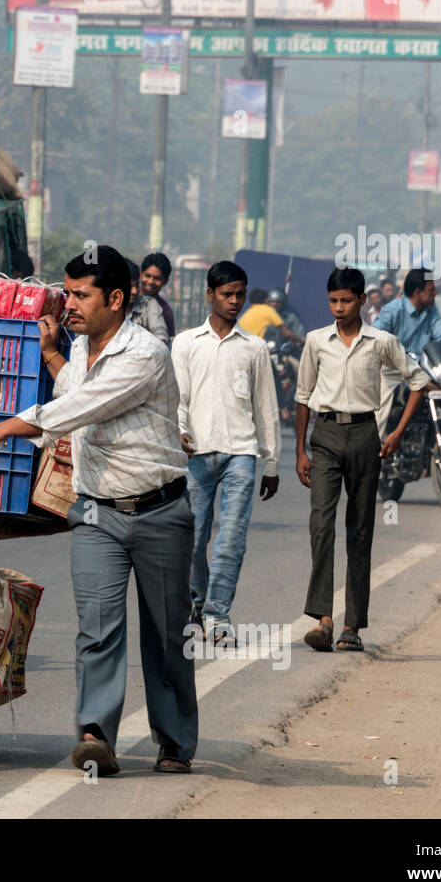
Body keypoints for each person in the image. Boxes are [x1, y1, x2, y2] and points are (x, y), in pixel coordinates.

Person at [0, 245, 196, 776]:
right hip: (96, 514)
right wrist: (51, 354)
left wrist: (2, 428)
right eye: (66, 292)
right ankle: (95, 735)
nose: (69, 303)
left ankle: (175, 742)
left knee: (165, 636)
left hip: (159, 511)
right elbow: (75, 387)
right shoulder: (85, 348)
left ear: (117, 298)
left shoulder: (147, 353)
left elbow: (79, 407)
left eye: (80, 294)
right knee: (97, 628)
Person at [295, 267, 428, 654]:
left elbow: (418, 380)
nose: (339, 307)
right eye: (333, 300)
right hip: (326, 435)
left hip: (366, 435)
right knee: (321, 523)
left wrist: (397, 431)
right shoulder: (316, 341)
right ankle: (323, 618)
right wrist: (301, 449)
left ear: (363, 301)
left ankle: (352, 625)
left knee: (360, 530)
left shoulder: (380, 342)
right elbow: (303, 395)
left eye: (346, 300)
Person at [171, 261, 280, 646]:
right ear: (210, 295)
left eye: (240, 294)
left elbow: (266, 409)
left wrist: (272, 463)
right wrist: (180, 433)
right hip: (196, 454)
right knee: (194, 537)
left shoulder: (254, 348)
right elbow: (177, 398)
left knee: (231, 537)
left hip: (241, 453)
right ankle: (196, 604)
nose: (234, 301)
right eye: (227, 294)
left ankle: (218, 614)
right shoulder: (185, 343)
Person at [372, 268, 441, 432]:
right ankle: (375, 450)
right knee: (381, 403)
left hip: (425, 367)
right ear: (418, 292)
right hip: (394, 369)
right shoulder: (394, 309)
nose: (435, 293)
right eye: (431, 290)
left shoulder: (431, 311)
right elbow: (375, 335)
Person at [239, 288, 305, 343]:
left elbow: (298, 333)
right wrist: (302, 341)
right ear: (266, 301)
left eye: (278, 302)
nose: (274, 304)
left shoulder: (290, 318)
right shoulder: (268, 310)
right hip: (257, 346)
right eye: (272, 301)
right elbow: (286, 333)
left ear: (283, 302)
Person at [127, 257, 169, 343]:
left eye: (136, 285)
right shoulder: (107, 307)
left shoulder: (150, 304)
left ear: (165, 281)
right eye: (129, 286)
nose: (134, 291)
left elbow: (161, 338)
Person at [140, 251, 177, 341]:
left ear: (165, 281)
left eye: (157, 278)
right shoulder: (127, 300)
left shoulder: (165, 311)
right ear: (141, 274)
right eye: (148, 276)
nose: (150, 281)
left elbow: (166, 343)